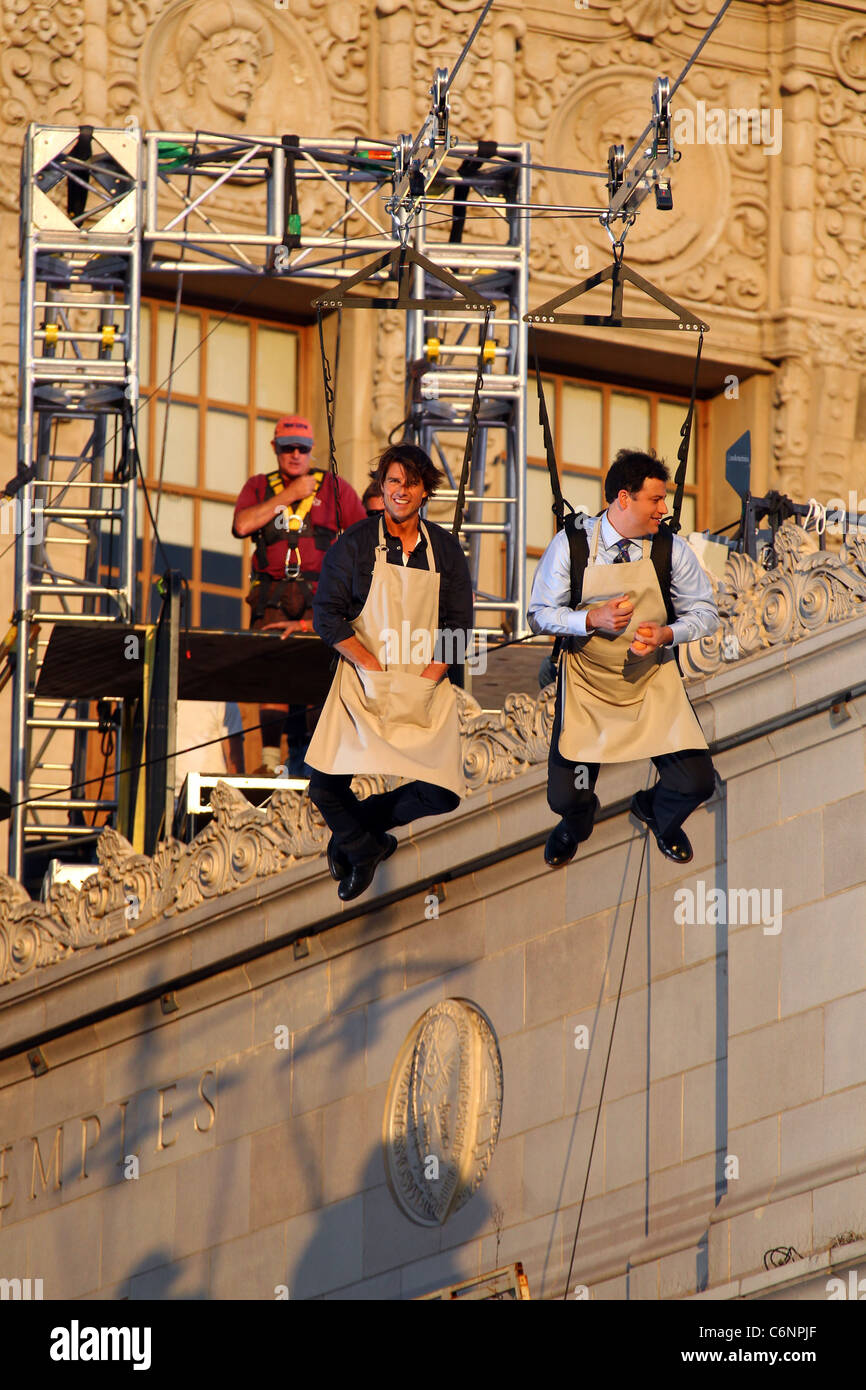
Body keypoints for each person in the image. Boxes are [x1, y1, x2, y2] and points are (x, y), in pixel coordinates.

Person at [527, 449, 719, 868]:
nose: (664, 509)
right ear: (623, 498)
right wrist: (589, 619)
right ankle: (573, 827)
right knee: (567, 796)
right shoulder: (574, 544)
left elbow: (706, 614)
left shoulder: (671, 549)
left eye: (664, 499)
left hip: (651, 683)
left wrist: (669, 633)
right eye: (655, 500)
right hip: (588, 686)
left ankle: (657, 813)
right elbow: (539, 614)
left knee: (697, 782)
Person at [306, 443, 474, 901]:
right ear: (383, 486)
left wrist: (428, 679)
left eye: (411, 483)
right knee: (323, 785)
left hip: (425, 681)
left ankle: (361, 832)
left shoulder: (446, 550)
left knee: (443, 793)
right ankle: (365, 847)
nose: (401, 490)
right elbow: (327, 616)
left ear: (425, 492)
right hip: (364, 681)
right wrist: (371, 665)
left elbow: (460, 627)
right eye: (394, 481)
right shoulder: (355, 544)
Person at [232, 415, 366, 774]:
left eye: (302, 449)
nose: (294, 455)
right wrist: (289, 496)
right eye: (287, 447)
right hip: (273, 595)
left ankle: (319, 759)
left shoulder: (335, 488)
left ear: (311, 451)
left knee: (317, 672)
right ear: (274, 449)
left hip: (320, 597)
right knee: (274, 669)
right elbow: (243, 525)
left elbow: (366, 542)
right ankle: (270, 760)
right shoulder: (260, 487)